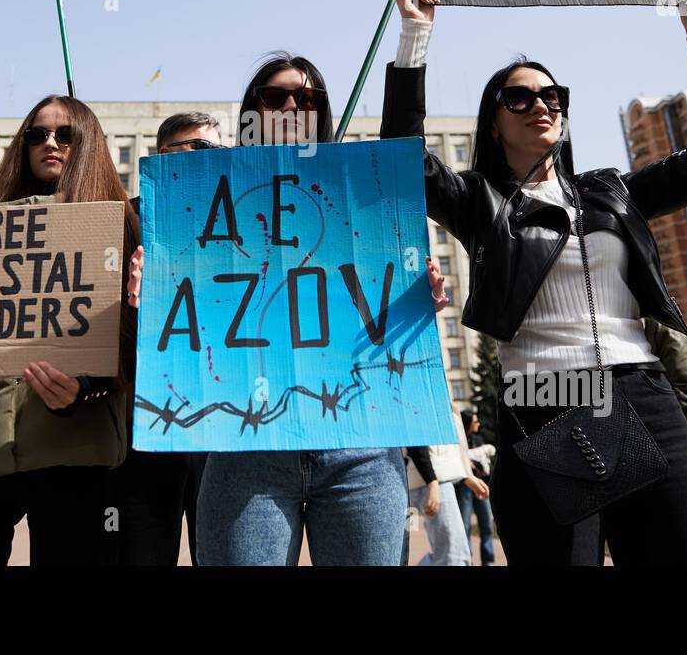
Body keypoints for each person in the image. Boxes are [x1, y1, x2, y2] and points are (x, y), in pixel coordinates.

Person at [381, 0, 687, 565]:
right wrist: (416, 34)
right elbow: (401, 157)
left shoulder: (612, 191)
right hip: (543, 402)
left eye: (551, 95)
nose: (540, 105)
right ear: (493, 123)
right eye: (518, 98)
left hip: (641, 392)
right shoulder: (478, 201)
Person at [127, 54, 449, 565]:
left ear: (323, 110)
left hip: (360, 445)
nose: (292, 105)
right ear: (251, 111)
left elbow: (382, 297)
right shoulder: (210, 199)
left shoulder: (365, 185)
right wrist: (154, 301)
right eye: (274, 96)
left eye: (307, 97)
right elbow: (194, 315)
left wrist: (417, 299)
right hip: (245, 446)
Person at [0, 94, 139, 566]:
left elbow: (139, 344)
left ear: (89, 144)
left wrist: (84, 389)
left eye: (66, 135)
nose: (50, 143)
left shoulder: (125, 227)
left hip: (75, 452)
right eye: (37, 134)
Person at [109, 112, 222, 565]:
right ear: (161, 157)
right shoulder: (125, 222)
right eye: (190, 148)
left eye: (212, 150)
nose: (202, 159)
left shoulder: (245, 217)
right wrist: (132, 309)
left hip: (222, 427)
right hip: (145, 428)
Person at [405, 412, 488, 565]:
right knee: (453, 557)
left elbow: (448, 446)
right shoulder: (430, 390)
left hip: (436, 478)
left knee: (452, 555)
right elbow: (416, 431)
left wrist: (465, 475)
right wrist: (432, 481)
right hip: (431, 479)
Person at [456, 408, 497, 564]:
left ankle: (489, 561)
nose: (478, 423)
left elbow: (486, 461)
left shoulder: (478, 440)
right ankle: (467, 560)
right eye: (475, 421)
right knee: (464, 526)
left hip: (480, 485)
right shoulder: (458, 441)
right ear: (467, 423)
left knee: (486, 525)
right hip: (463, 487)